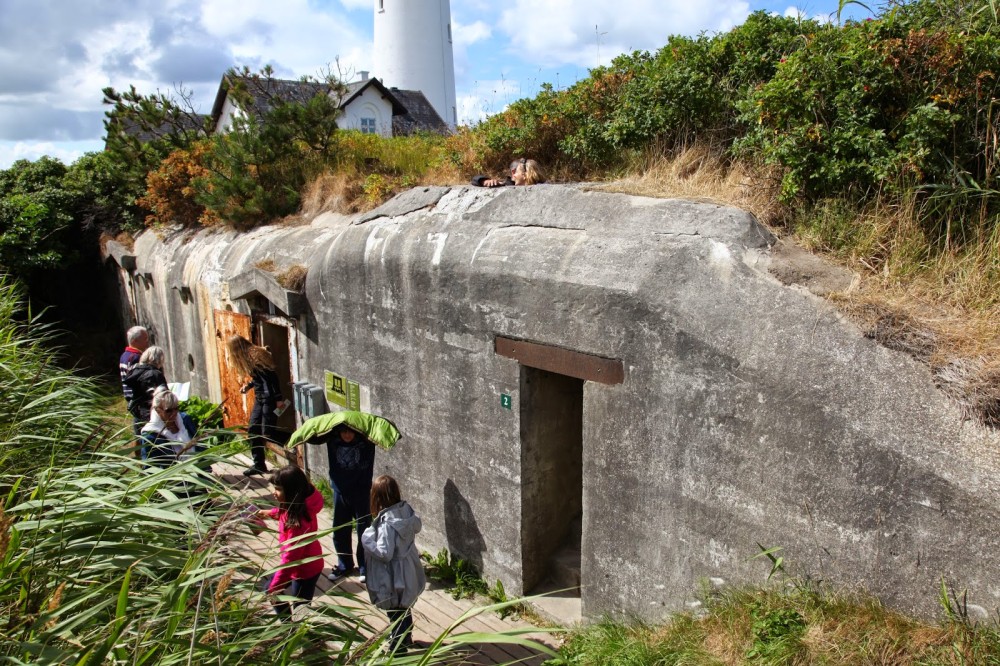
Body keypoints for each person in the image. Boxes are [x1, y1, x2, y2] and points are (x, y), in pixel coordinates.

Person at [361, 474, 425, 654]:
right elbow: (417, 526)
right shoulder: (406, 510)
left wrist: (367, 540)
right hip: (408, 568)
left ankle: (398, 649)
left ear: (376, 498)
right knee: (404, 607)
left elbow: (384, 553)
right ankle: (406, 637)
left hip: (394, 574)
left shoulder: (386, 524)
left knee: (395, 611)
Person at [257, 465, 325, 619]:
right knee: (271, 588)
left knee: (299, 608)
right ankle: (291, 626)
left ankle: (292, 630)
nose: (274, 493)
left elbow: (290, 559)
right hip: (304, 563)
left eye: (278, 489)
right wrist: (269, 513)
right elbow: (284, 513)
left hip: (305, 570)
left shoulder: (297, 524)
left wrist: (276, 586)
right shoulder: (299, 505)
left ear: (292, 490)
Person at [226, 335, 286, 477]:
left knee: (268, 432)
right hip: (260, 399)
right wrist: (249, 386)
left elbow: (271, 377)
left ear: (236, 348)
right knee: (253, 429)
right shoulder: (248, 357)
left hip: (269, 399)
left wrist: (278, 398)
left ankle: (291, 444)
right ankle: (259, 464)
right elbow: (258, 378)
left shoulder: (255, 355)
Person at [326, 424, 376, 583]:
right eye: (344, 432)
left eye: (350, 432)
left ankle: (364, 566)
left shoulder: (366, 443)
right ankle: (344, 564)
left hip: (360, 491)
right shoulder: (333, 442)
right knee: (340, 529)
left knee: (364, 529)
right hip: (340, 491)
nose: (347, 435)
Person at [140, 387, 201, 466]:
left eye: (176, 408)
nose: (174, 413)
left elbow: (199, 446)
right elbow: (149, 466)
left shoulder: (185, 420)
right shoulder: (150, 435)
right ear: (158, 410)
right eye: (168, 411)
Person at [119, 325, 149, 436]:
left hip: (131, 398)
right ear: (135, 341)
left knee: (138, 426)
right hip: (138, 399)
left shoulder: (124, 355)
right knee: (142, 429)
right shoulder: (136, 358)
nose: (147, 342)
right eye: (145, 339)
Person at [471, 158, 546, 188]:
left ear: (525, 175)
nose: (514, 176)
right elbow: (474, 179)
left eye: (516, 172)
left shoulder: (543, 187)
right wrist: (484, 181)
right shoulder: (508, 185)